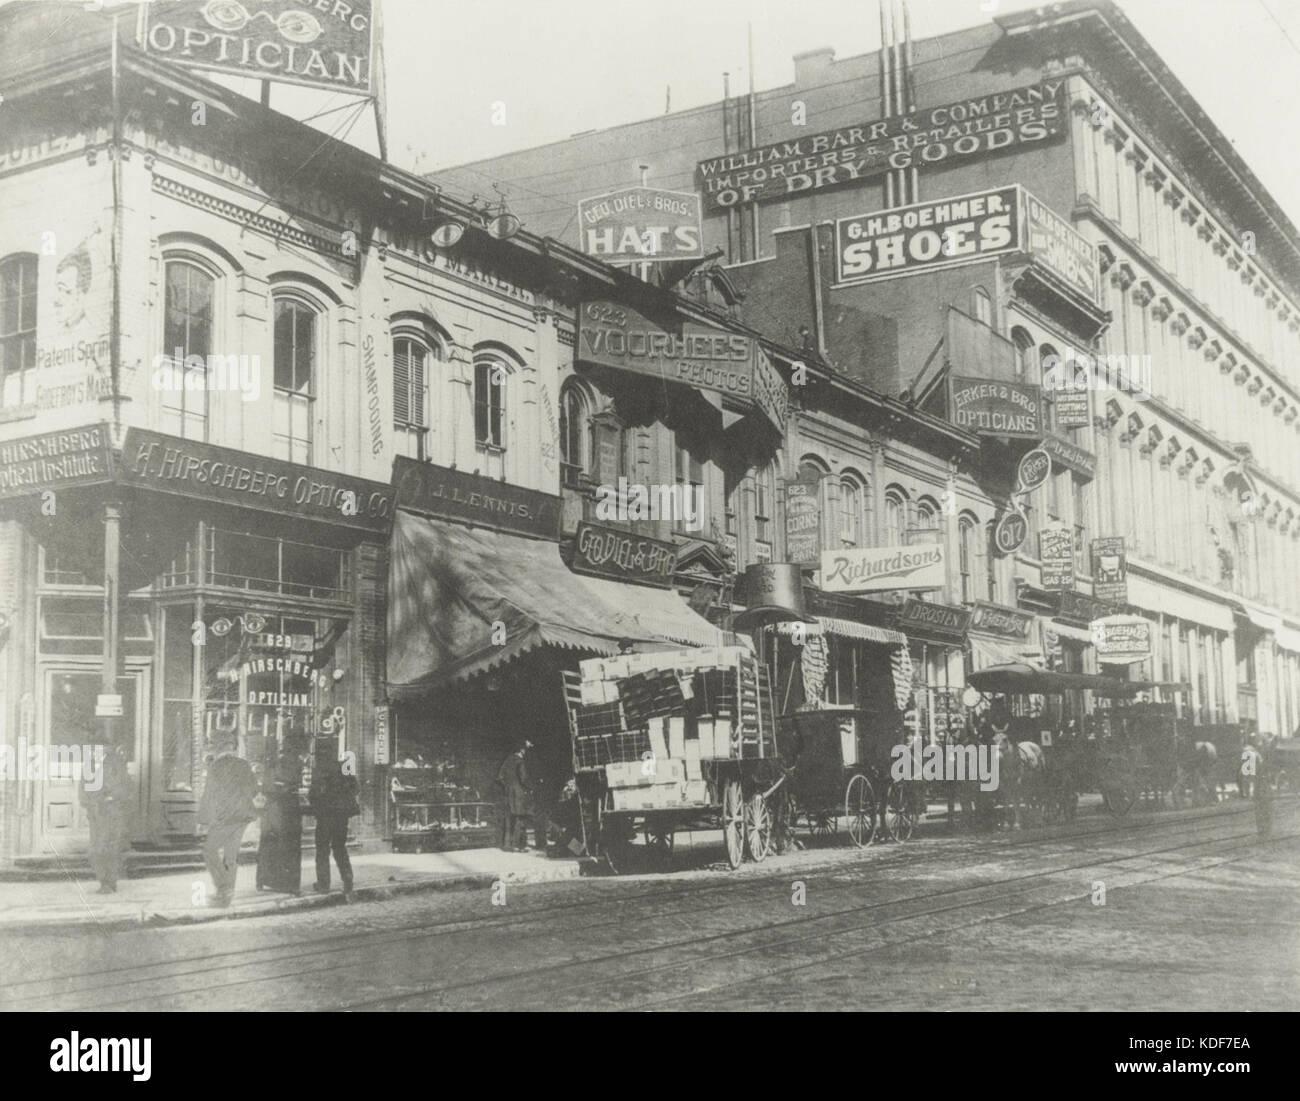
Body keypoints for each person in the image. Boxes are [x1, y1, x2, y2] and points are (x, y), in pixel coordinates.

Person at [198, 737, 259, 908]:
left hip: (224, 817)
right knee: (231, 856)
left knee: (209, 851)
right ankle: (227, 893)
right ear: (231, 748)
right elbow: (254, 789)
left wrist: (203, 820)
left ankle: (223, 888)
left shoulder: (215, 767)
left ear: (218, 749)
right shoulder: (244, 764)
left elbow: (209, 795)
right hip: (243, 816)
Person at [308, 743, 358, 897]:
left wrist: (315, 804)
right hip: (341, 816)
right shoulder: (345, 767)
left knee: (322, 849)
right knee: (339, 847)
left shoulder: (319, 770)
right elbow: (356, 788)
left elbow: (313, 794)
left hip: (325, 816)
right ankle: (348, 879)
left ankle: (323, 885)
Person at [84, 743, 130, 894]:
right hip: (96, 814)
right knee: (96, 848)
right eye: (91, 750)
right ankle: (102, 880)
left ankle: (111, 882)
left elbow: (125, 786)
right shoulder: (88, 766)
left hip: (112, 813)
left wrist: (113, 798)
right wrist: (88, 804)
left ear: (105, 750)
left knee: (111, 848)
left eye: (96, 749)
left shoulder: (116, 765)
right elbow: (82, 788)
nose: (93, 753)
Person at [256, 751, 304, 895]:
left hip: (281, 815)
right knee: (283, 848)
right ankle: (285, 883)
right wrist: (289, 790)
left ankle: (269, 881)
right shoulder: (281, 769)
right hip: (280, 815)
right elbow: (273, 790)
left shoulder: (277, 768)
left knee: (276, 847)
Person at [496, 739, 532, 852]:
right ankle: (519, 845)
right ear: (522, 750)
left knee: (509, 819)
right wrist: (531, 788)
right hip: (519, 794)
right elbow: (524, 779)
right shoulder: (520, 761)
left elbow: (500, 777)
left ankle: (507, 845)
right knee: (520, 819)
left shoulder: (507, 760)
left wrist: (507, 787)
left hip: (508, 794)